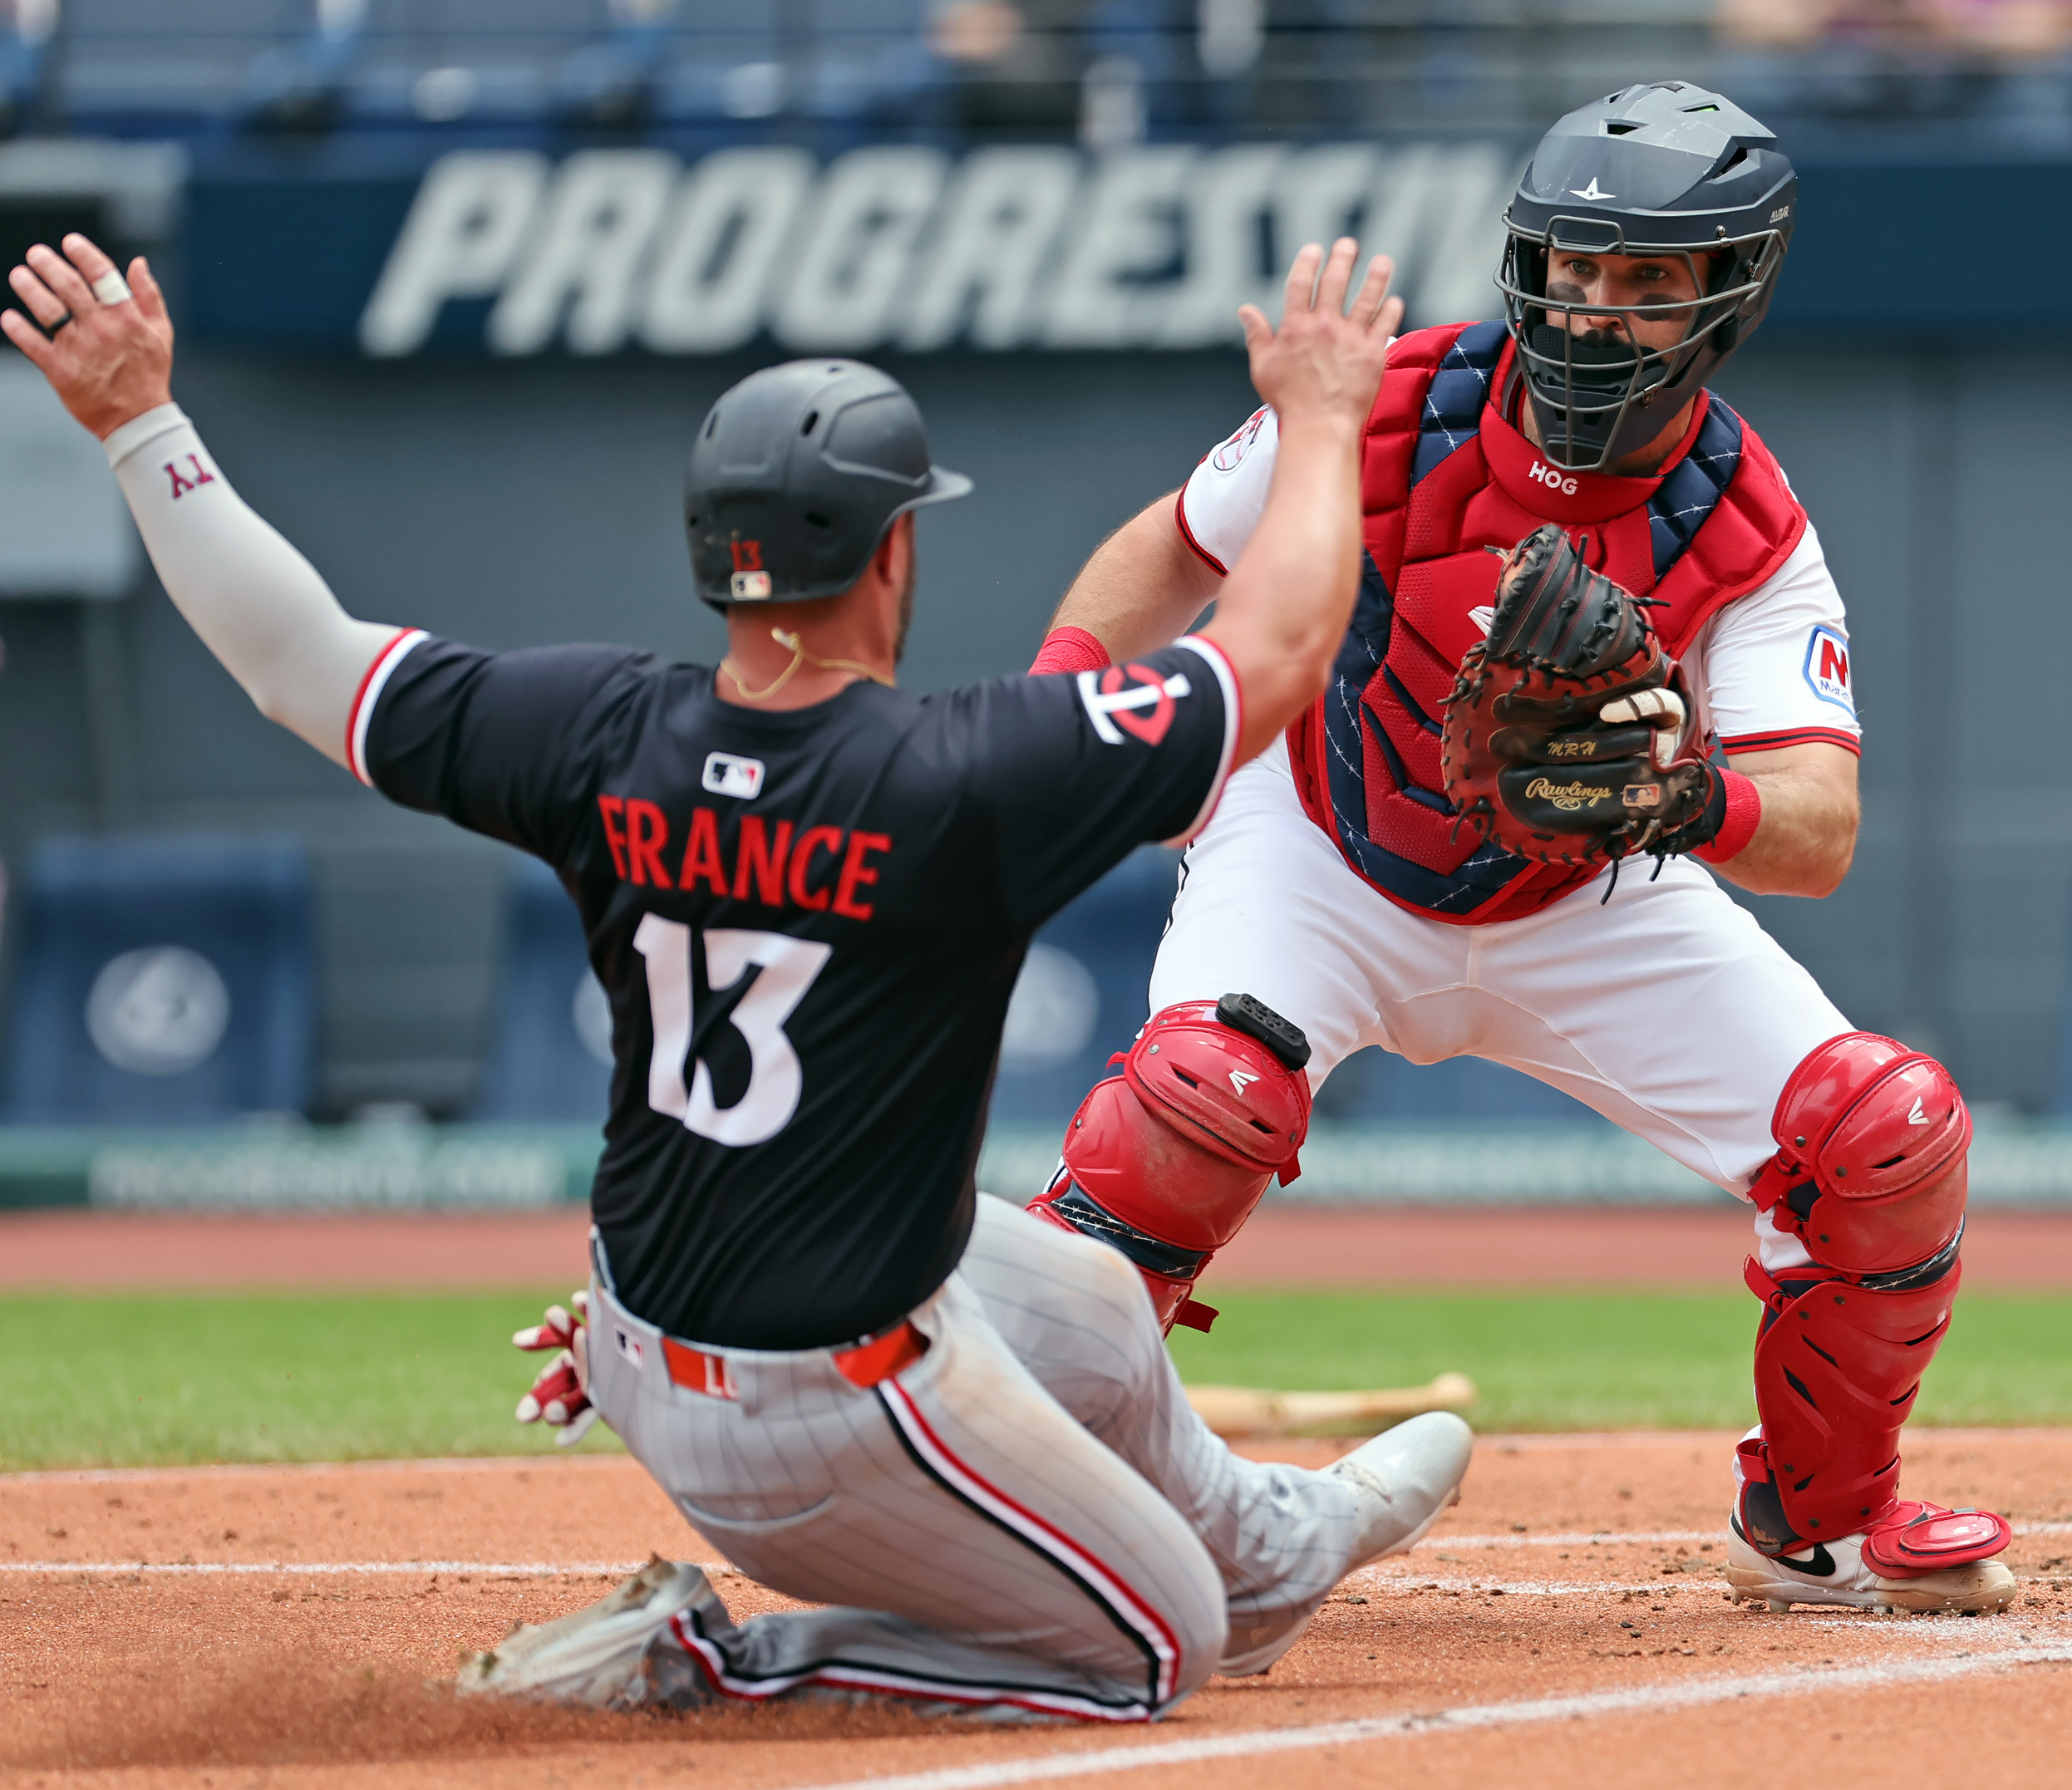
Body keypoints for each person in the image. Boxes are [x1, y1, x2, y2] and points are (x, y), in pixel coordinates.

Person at [2, 229, 1474, 1720]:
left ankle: (1275, 1552)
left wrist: (141, 423)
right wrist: (1324, 413)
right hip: (821, 1412)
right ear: (894, 549)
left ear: (715, 551)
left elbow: (296, 661)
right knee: (1160, 1649)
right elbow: (1282, 643)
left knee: (1095, 1302)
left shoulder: (597, 729)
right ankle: (707, 1656)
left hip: (643, 1334)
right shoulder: (960, 778)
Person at [1019, 81, 2019, 1615]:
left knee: (1887, 1135)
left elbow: (1818, 824)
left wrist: (1688, 802)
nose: (1593, 311)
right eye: (1571, 267)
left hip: (1586, 890)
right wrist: (1054, 715)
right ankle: (1014, 1499)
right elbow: (1173, 544)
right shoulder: (1396, 401)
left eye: (1646, 284)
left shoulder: (1746, 522)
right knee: (1195, 1100)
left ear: (1725, 297)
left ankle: (1817, 1526)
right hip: (1320, 841)